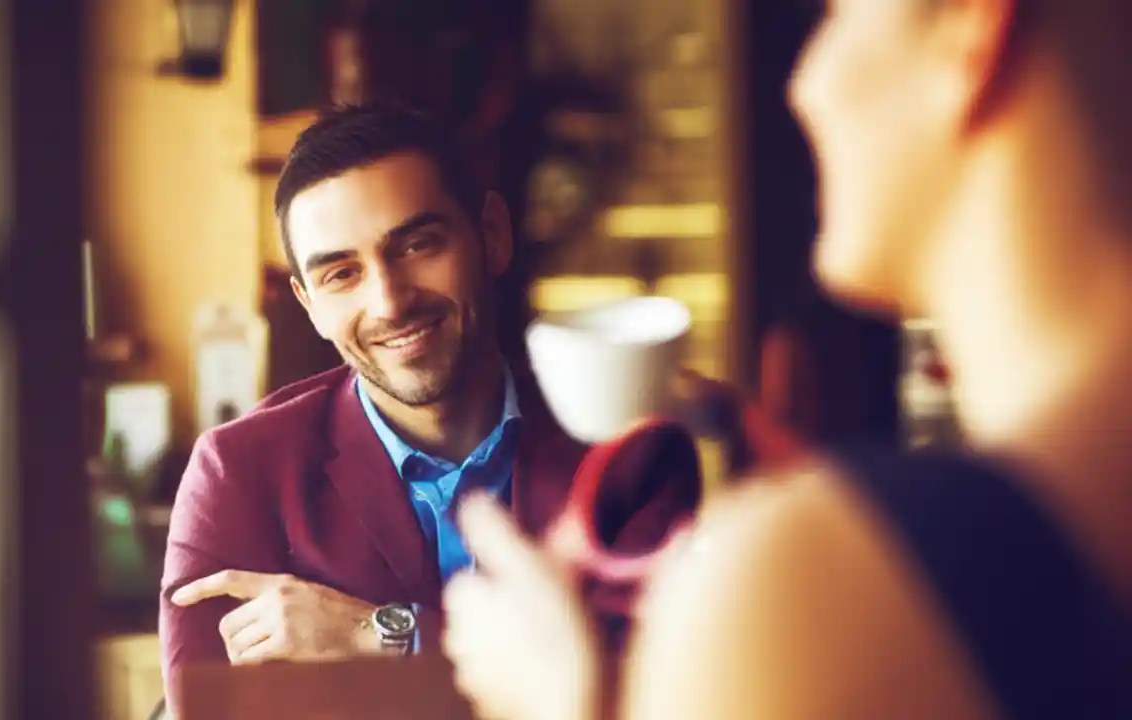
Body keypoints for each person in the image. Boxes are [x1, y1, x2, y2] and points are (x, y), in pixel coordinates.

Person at [441, 1, 1132, 718]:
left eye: (837, 13)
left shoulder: (811, 587)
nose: (805, 84)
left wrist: (565, 702)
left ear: (970, 28)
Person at [158, 105, 700, 714]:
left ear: (492, 234)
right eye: (342, 274)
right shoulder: (239, 472)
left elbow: (661, 693)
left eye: (417, 245)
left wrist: (386, 635)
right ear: (308, 303)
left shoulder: (629, 453)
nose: (389, 301)